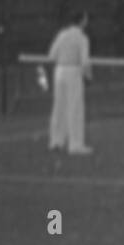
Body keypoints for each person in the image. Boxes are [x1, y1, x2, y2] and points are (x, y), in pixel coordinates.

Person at [48, 10, 93, 154]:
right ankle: (75, 144)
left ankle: (56, 141)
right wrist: (88, 76)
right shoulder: (82, 38)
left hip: (59, 72)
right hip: (73, 72)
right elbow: (85, 61)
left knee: (59, 106)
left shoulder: (62, 35)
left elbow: (52, 56)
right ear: (82, 21)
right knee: (75, 108)